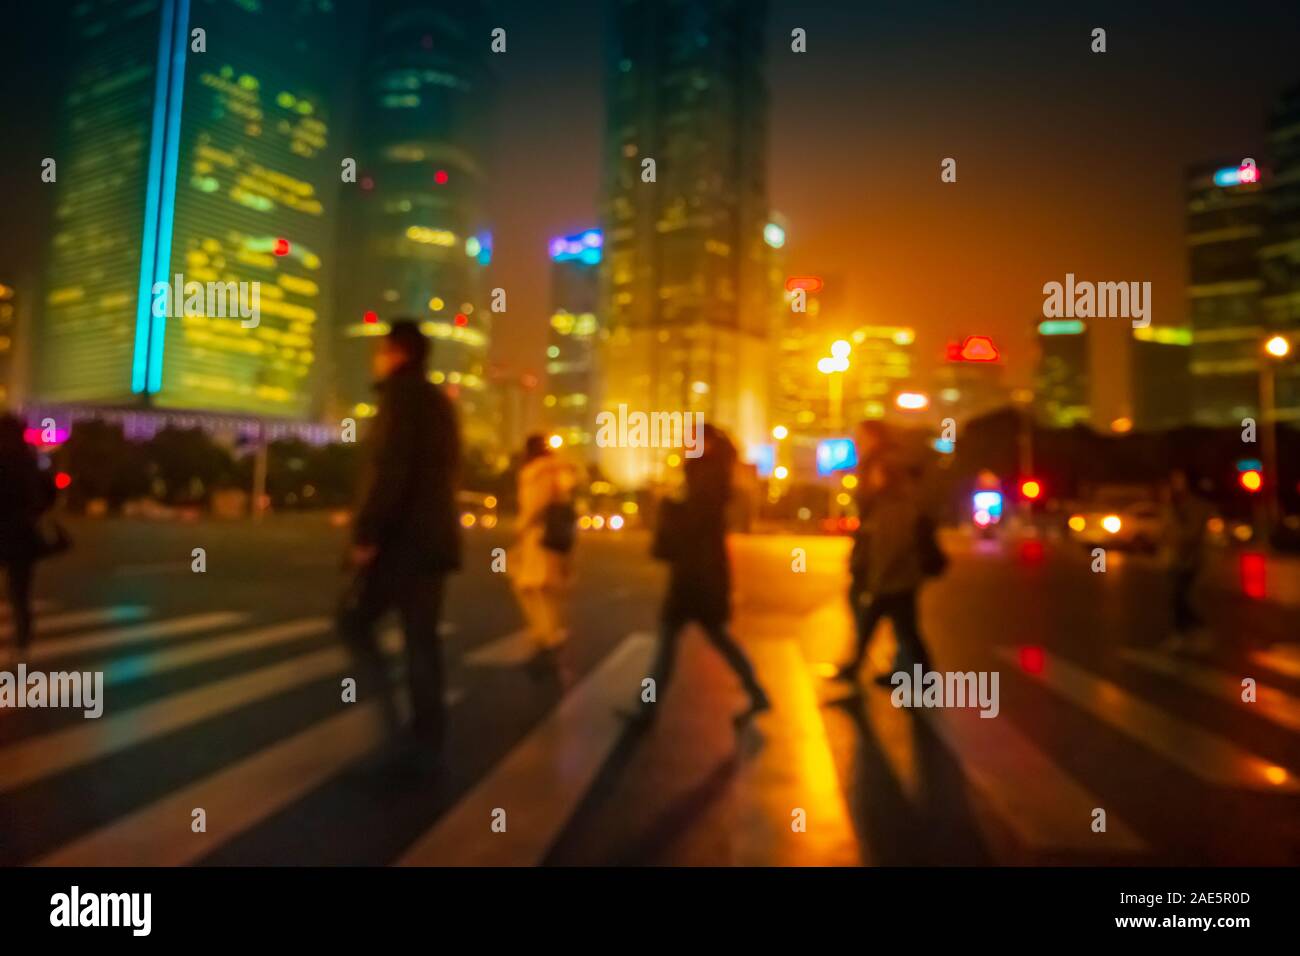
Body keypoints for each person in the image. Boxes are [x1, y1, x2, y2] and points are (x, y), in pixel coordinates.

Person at [337, 319, 461, 763]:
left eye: (383, 350)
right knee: (421, 640)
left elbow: (390, 470)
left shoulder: (400, 399)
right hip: (434, 542)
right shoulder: (440, 403)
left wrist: (368, 533)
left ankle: (393, 729)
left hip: (401, 543)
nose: (378, 357)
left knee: (353, 621)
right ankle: (426, 735)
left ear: (397, 353)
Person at [635, 424, 771, 724]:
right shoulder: (712, 473)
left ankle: (647, 709)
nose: (686, 445)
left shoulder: (706, 476)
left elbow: (696, 522)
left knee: (670, 641)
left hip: (696, 572)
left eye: (692, 441)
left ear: (706, 443)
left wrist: (670, 508)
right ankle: (756, 692)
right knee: (710, 637)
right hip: (704, 570)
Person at [835, 458, 933, 686]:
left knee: (897, 630)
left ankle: (923, 678)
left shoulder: (896, 507)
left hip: (895, 582)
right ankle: (919, 676)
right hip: (894, 581)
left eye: (878, 475)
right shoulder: (888, 505)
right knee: (901, 630)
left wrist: (878, 578)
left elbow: (893, 547)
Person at [510, 434, 578, 666]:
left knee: (532, 586)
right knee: (546, 588)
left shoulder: (535, 473)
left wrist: (521, 525)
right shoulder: (558, 471)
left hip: (537, 537)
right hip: (553, 536)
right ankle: (549, 634)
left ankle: (545, 637)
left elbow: (535, 504)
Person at [0, 414, 56, 664]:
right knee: (20, 595)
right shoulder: (30, 459)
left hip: (8, 533)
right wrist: (35, 512)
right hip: (23, 537)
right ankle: (22, 646)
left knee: (19, 594)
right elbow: (49, 493)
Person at [1160, 468, 1213, 653]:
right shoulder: (1172, 505)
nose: (1175, 485)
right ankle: (1185, 634)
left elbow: (1191, 534)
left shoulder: (1197, 506)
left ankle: (1196, 631)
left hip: (1190, 560)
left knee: (1180, 598)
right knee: (1177, 599)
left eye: (1179, 480)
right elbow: (1165, 532)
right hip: (1173, 559)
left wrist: (1175, 521)